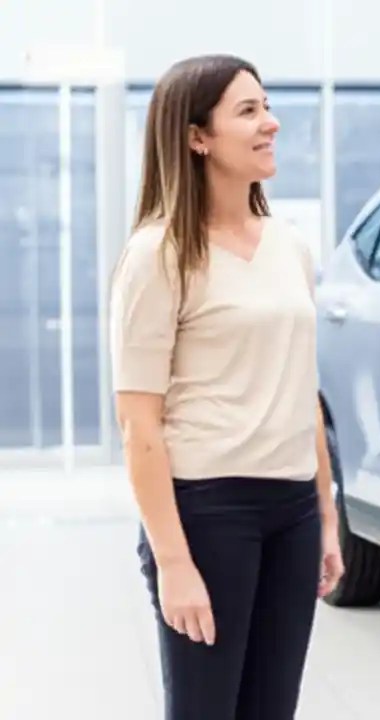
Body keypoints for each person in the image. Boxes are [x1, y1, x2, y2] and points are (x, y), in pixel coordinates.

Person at [109, 54, 344, 719]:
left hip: (292, 511)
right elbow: (138, 424)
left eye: (267, 106)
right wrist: (173, 562)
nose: (271, 123)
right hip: (208, 512)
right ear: (197, 137)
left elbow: (302, 390)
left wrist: (326, 518)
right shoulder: (157, 254)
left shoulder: (289, 245)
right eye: (248, 111)